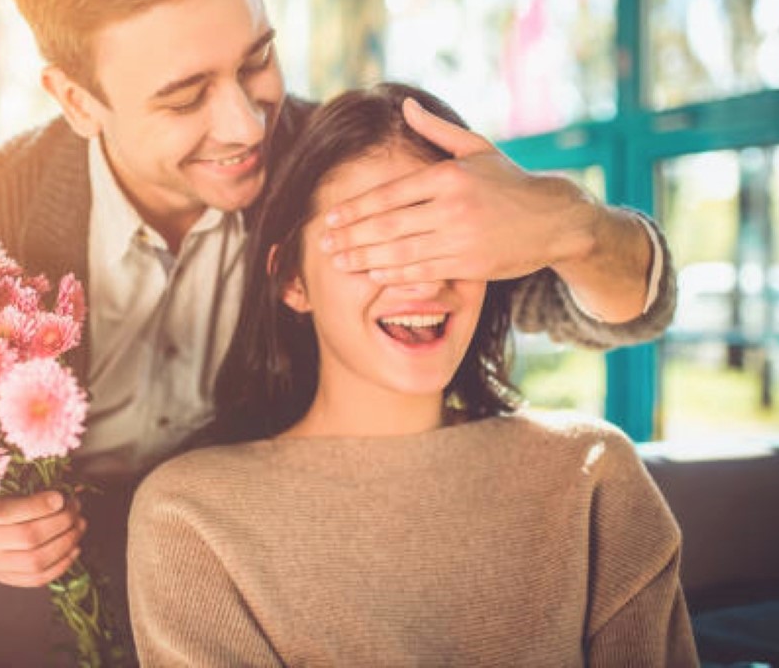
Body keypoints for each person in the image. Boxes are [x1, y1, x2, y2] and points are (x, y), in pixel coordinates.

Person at [0, 0, 678, 666]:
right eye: (186, 96)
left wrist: (571, 225)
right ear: (77, 100)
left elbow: (615, 307)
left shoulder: (331, 174)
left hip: (213, 582)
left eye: (255, 61)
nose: (244, 124)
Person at [127, 83, 697, 667]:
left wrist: (570, 219)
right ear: (291, 280)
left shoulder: (592, 476)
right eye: (380, 244)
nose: (425, 283)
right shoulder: (192, 518)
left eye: (443, 241)